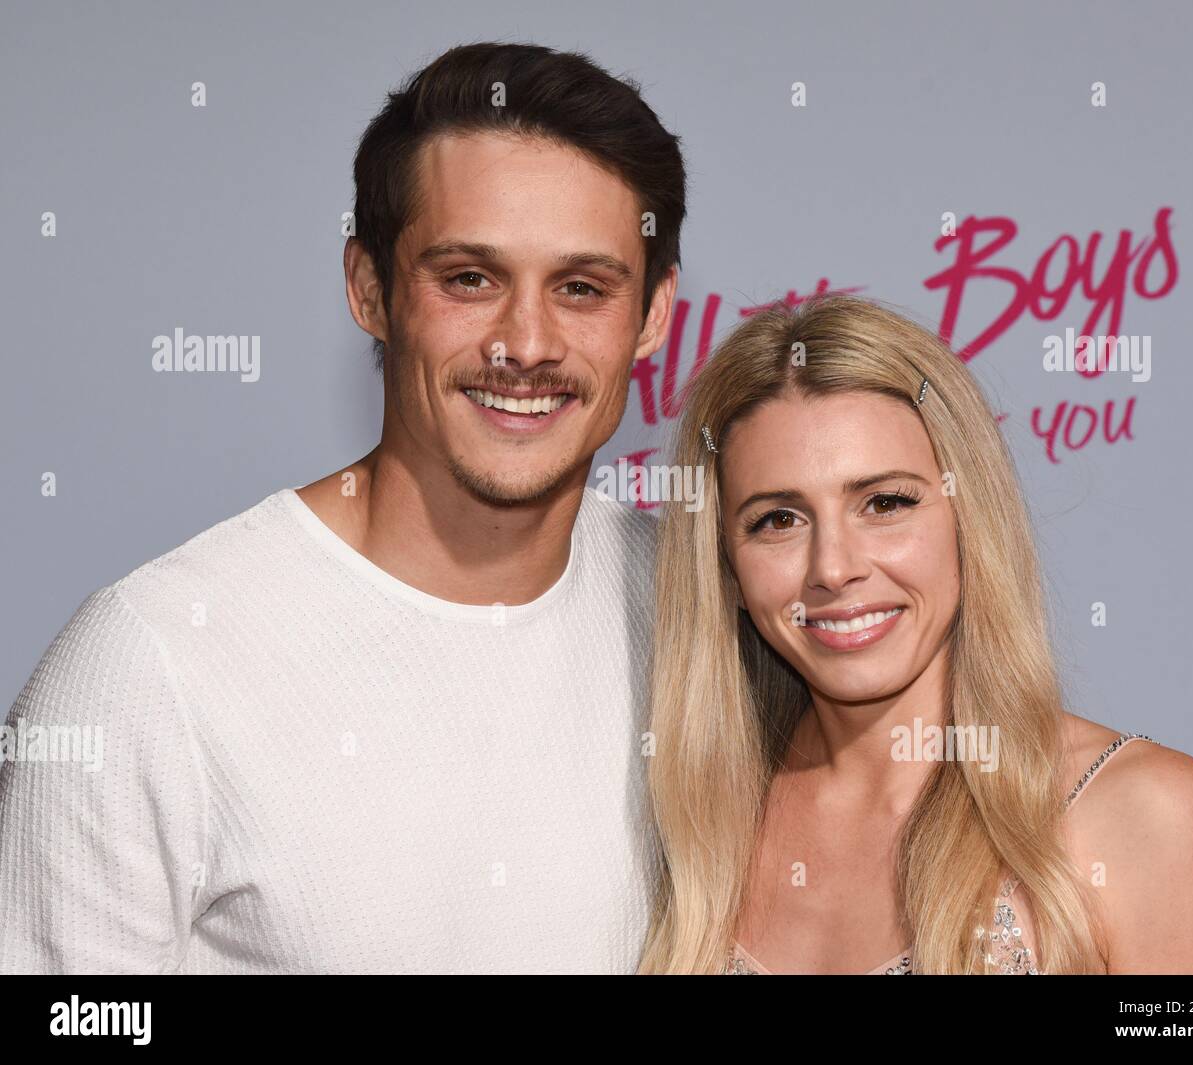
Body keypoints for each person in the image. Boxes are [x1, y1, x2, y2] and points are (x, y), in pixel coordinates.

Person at [0, 41, 684, 974]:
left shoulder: (704, 617)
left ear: (653, 316)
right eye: (468, 278)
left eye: (581, 288)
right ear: (370, 288)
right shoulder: (149, 661)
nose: (526, 343)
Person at [639, 294, 1193, 975]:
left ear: (968, 515)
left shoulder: (1145, 814)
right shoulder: (693, 821)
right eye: (778, 519)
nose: (834, 568)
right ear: (726, 561)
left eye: (885, 502)